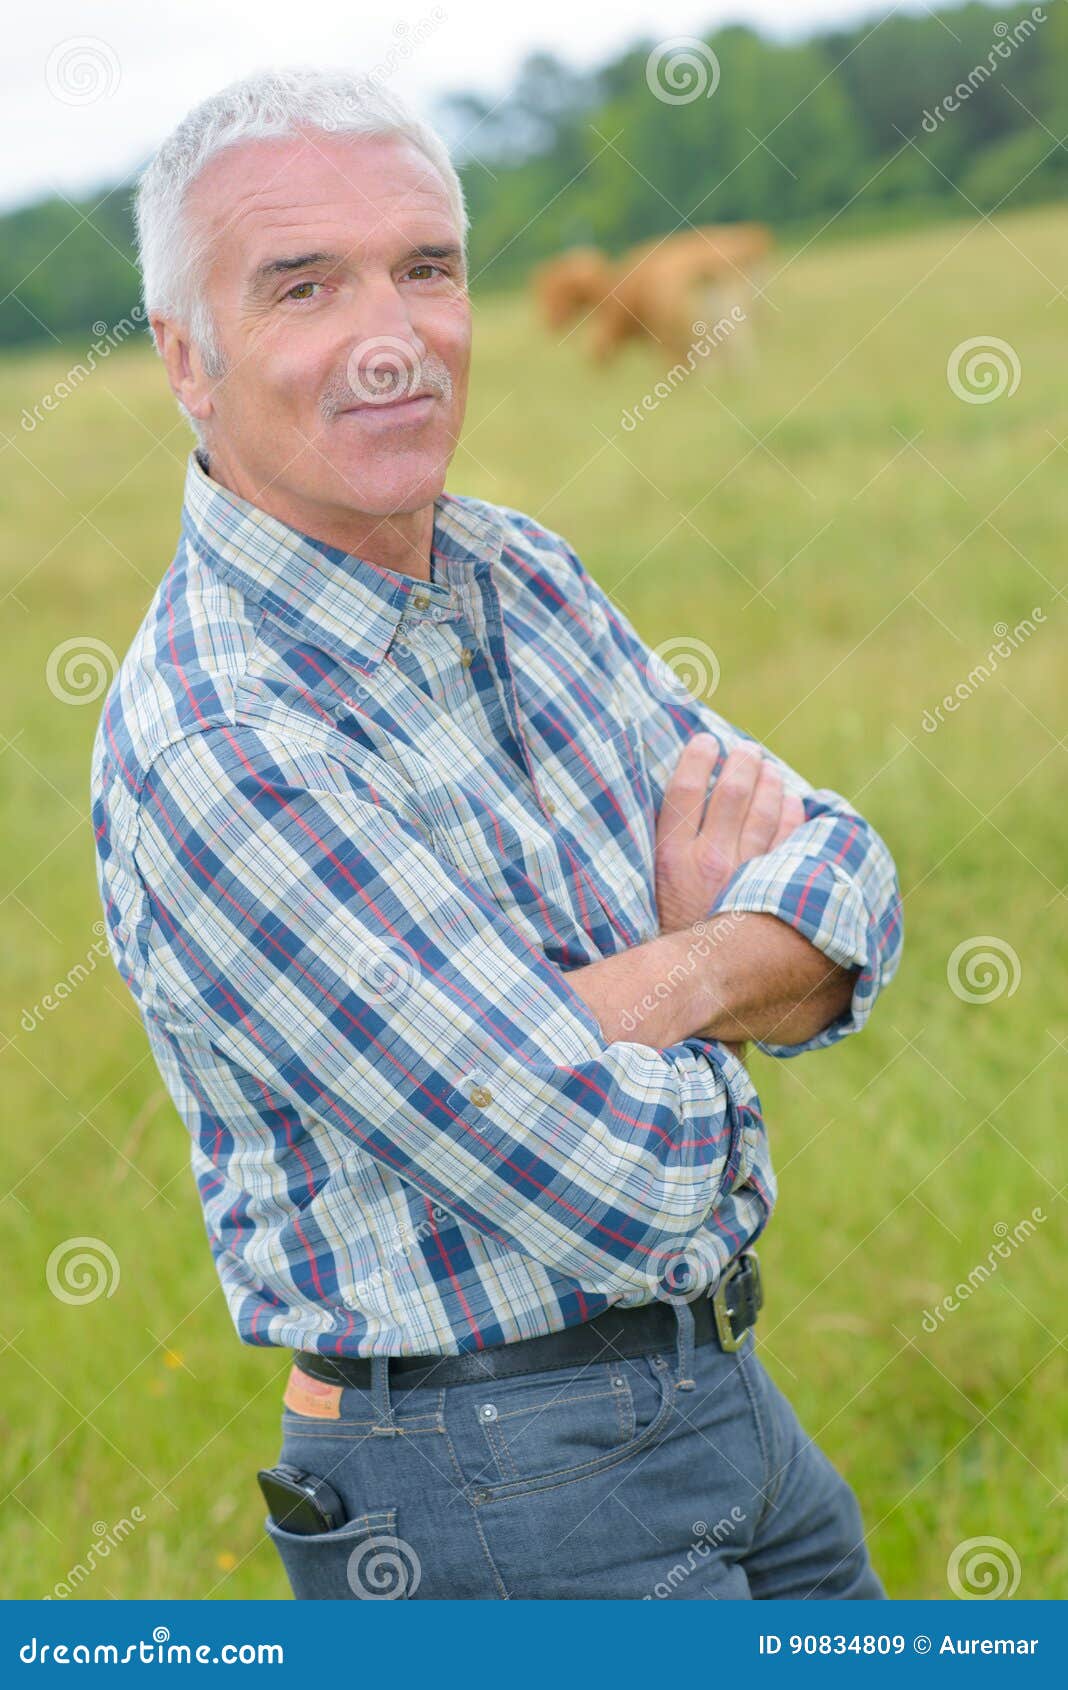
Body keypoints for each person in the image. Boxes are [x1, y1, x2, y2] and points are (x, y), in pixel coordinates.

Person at [90, 67, 904, 1601]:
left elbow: (852, 879)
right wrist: (739, 966)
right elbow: (629, 1180)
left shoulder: (514, 569)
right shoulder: (226, 742)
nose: (390, 332)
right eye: (304, 286)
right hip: (483, 1488)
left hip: (726, 1401)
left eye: (427, 267)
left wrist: (650, 987)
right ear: (188, 360)